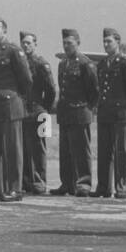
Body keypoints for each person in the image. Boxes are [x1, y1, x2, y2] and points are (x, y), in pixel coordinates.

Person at [0, 17, 32, 202]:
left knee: (12, 149)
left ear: (4, 31)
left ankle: (15, 189)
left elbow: (26, 79)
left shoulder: (14, 51)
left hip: (10, 105)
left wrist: (17, 97)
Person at [94, 28, 126, 198]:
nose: (106, 45)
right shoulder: (102, 64)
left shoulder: (125, 63)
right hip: (105, 113)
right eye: (104, 42)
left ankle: (123, 187)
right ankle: (103, 187)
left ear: (118, 42)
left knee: (122, 152)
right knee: (104, 152)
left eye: (109, 41)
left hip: (121, 114)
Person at [52, 29, 98, 196]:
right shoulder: (63, 63)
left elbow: (93, 90)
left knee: (81, 151)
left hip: (80, 111)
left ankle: (83, 183)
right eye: (64, 43)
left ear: (78, 43)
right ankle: (67, 184)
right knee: (65, 151)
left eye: (69, 43)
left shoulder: (86, 63)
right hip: (65, 113)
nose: (66, 46)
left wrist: (87, 108)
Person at [19, 31, 57, 195]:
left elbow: (50, 89)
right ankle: (27, 181)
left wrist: (44, 108)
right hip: (23, 111)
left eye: (29, 43)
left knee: (38, 148)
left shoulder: (41, 63)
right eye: (23, 43)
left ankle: (39, 182)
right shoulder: (20, 62)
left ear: (35, 44)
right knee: (24, 148)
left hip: (39, 111)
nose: (25, 46)